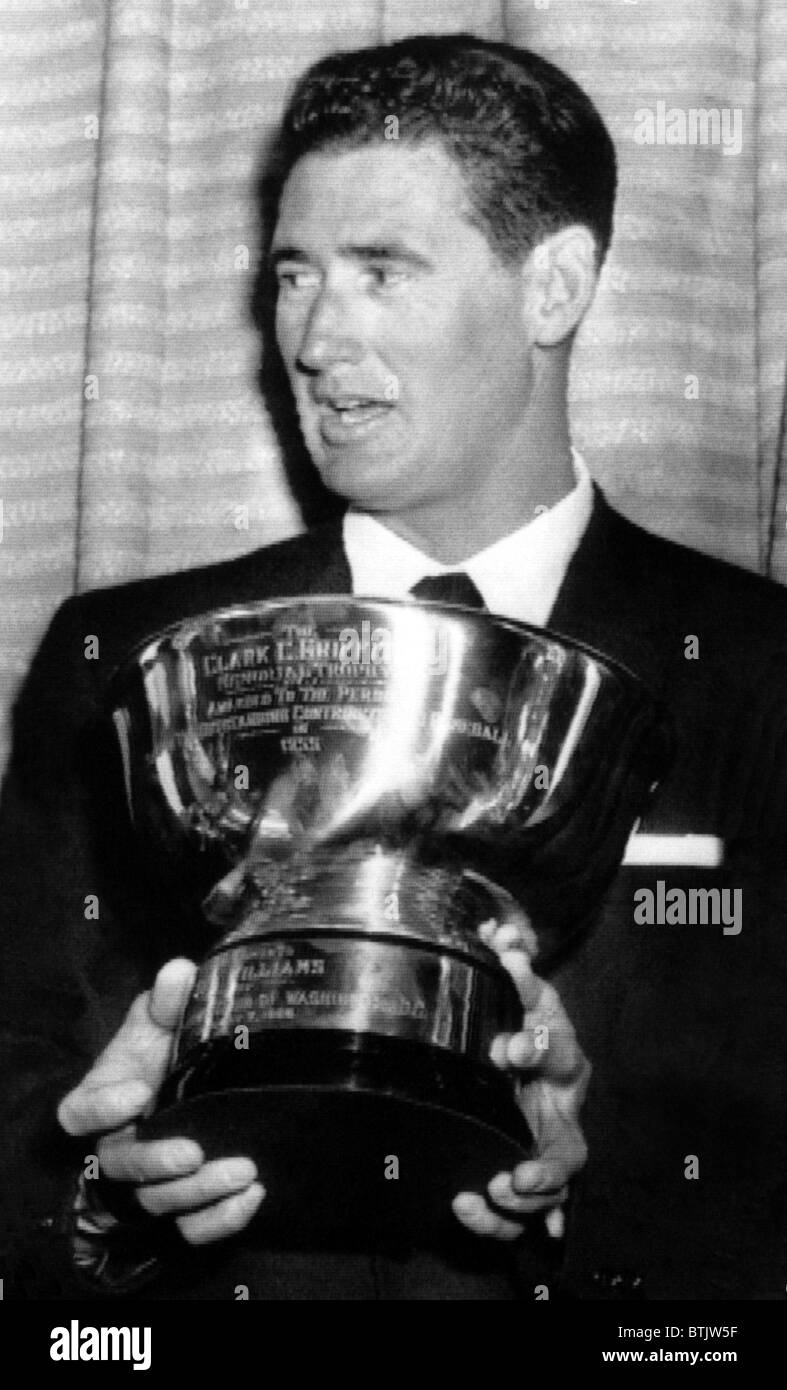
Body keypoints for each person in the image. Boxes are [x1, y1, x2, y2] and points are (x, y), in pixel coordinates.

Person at [1, 33, 785, 1302]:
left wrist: (607, 1187)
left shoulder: (760, 672)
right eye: (295, 275)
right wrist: (93, 1200)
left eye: (382, 269)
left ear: (555, 288)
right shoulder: (122, 663)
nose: (313, 339)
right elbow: (16, 1077)